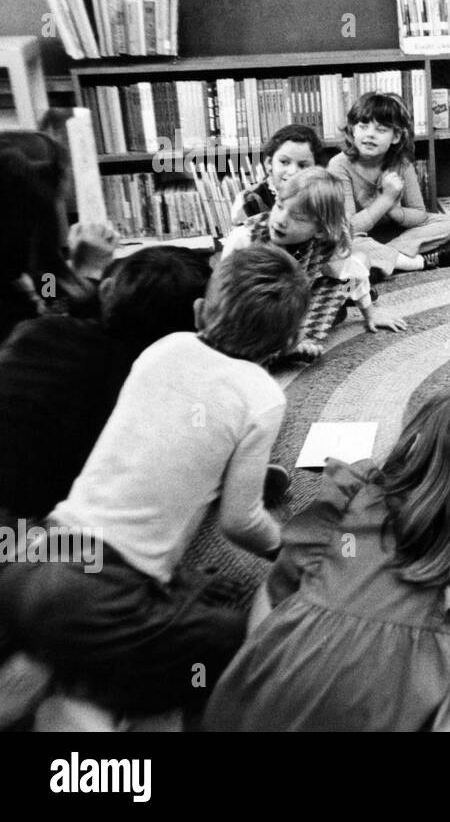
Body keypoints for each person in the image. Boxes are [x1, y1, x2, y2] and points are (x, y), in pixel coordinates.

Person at [0, 245, 309, 727]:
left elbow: (157, 463)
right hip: (103, 597)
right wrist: (291, 549)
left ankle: (40, 661)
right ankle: (87, 696)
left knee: (72, 621)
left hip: (32, 555)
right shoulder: (263, 397)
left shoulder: (161, 350)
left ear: (199, 311)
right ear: (289, 339)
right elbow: (241, 522)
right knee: (249, 637)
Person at [204, 381, 450, 731]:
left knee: (273, 591)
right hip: (379, 714)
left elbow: (280, 586)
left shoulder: (350, 498)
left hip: (250, 712)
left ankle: (264, 669)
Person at [0, 246, 212, 530]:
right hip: (38, 527)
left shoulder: (40, 329)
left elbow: (49, 289)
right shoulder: (155, 390)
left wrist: (83, 271)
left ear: (106, 290)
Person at [222, 167, 405, 361]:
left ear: (319, 229)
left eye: (298, 217)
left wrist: (369, 313)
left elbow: (354, 276)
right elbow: (222, 292)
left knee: (347, 286)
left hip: (291, 307)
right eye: (280, 206)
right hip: (249, 310)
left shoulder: (322, 244)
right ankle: (273, 349)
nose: (281, 220)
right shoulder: (246, 237)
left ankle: (288, 345)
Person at [0, 130, 117, 344]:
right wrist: (92, 269)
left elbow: (53, 305)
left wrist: (79, 270)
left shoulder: (35, 269)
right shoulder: (12, 305)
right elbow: (63, 340)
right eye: (59, 198)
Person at [327, 92, 450, 277]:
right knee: (342, 240)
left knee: (447, 222)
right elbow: (348, 228)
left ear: (396, 136)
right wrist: (386, 199)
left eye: (381, 130)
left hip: (396, 236)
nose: (370, 135)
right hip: (361, 237)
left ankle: (379, 259)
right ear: (352, 130)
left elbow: (420, 215)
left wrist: (394, 211)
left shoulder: (401, 163)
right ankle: (414, 262)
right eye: (363, 126)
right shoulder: (339, 165)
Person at [229, 124, 323, 227]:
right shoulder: (249, 200)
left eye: (303, 165)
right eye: (284, 162)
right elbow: (241, 240)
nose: (293, 171)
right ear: (269, 164)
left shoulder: (322, 199)